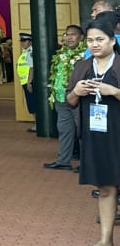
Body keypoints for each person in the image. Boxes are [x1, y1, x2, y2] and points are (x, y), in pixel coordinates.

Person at [66, 16, 120, 246]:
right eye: (90, 40)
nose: (94, 44)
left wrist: (115, 91)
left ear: (112, 40)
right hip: (98, 136)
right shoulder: (82, 67)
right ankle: (105, 241)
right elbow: (69, 101)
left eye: (100, 39)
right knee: (106, 187)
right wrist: (76, 92)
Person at [45, 25, 86, 170]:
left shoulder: (86, 55)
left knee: (83, 131)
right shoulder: (61, 54)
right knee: (64, 129)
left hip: (78, 100)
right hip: (61, 98)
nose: (68, 37)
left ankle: (85, 164)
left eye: (73, 34)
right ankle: (63, 160)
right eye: (66, 34)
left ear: (81, 37)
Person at [17, 32, 35, 120]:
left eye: (24, 41)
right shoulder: (26, 52)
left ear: (30, 41)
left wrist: (29, 82)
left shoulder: (30, 52)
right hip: (25, 81)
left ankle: (37, 124)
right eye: (21, 41)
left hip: (29, 82)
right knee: (31, 102)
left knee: (32, 103)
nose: (22, 43)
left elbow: (32, 68)